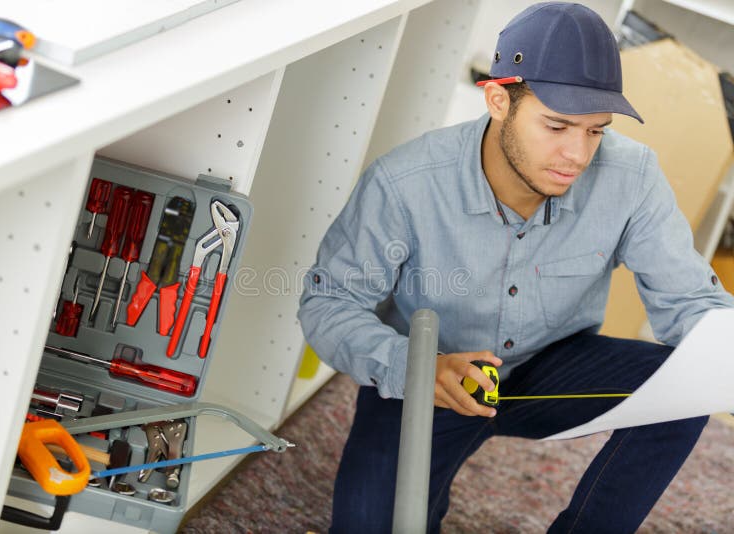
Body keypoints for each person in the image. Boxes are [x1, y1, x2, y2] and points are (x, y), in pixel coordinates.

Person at [297, 2, 734, 533]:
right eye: (557, 125)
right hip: (434, 379)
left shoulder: (632, 176)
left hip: (550, 371)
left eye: (596, 131)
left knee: (687, 388)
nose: (577, 154)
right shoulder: (405, 183)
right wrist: (410, 366)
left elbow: (691, 301)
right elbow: (329, 303)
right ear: (499, 99)